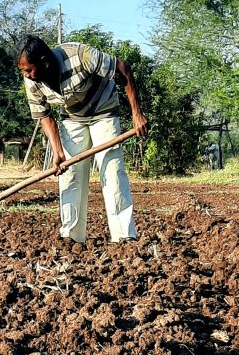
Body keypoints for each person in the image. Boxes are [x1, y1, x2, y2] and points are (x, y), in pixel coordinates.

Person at [17, 35, 149, 245]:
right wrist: (58, 151)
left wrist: (136, 113)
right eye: (24, 71)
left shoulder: (80, 56)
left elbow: (123, 69)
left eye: (29, 69)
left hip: (104, 111)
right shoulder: (31, 81)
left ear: (44, 61)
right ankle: (71, 237)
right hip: (73, 118)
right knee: (70, 175)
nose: (27, 75)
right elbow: (44, 116)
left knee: (111, 169)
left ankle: (124, 235)